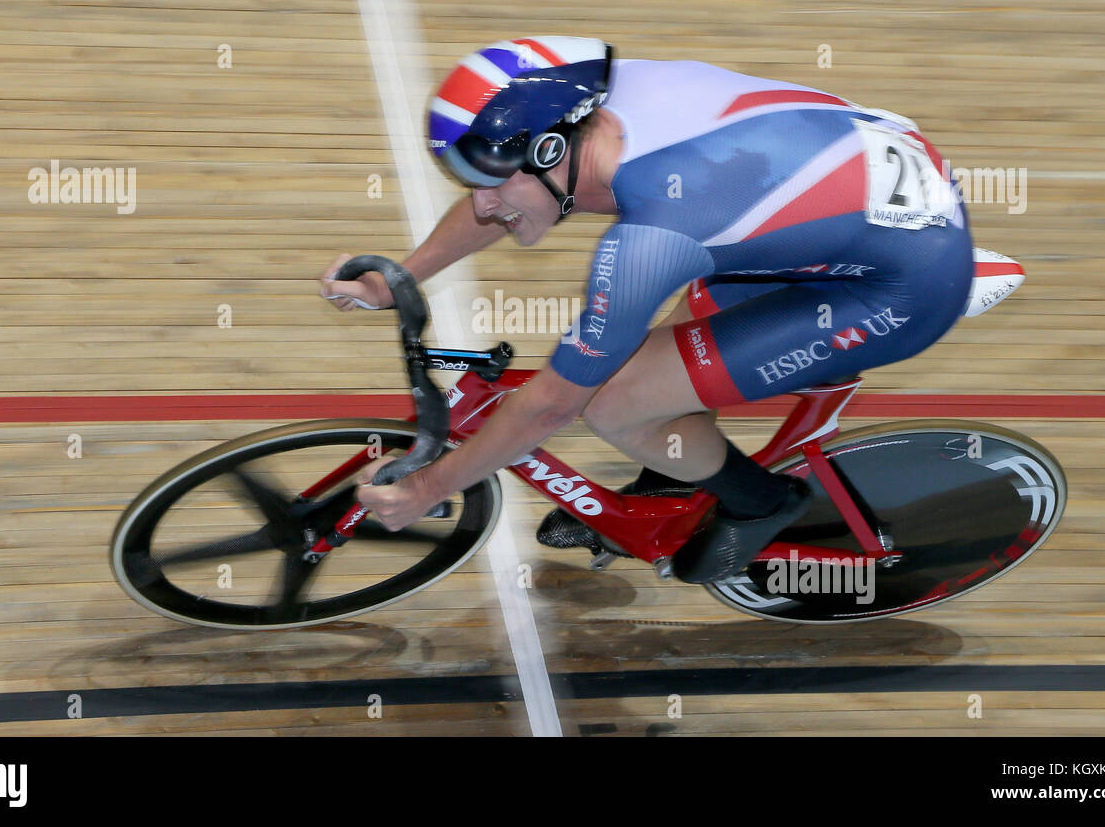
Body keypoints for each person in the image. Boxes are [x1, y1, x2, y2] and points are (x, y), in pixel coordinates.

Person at [319, 36, 972, 583]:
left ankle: (763, 502)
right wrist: (401, 276)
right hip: (847, 191)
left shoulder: (655, 234)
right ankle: (671, 477)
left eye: (492, 185)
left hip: (900, 286)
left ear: (551, 150)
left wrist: (430, 489)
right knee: (662, 360)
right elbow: (513, 192)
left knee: (613, 399)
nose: (484, 206)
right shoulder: (597, 104)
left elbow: (552, 405)